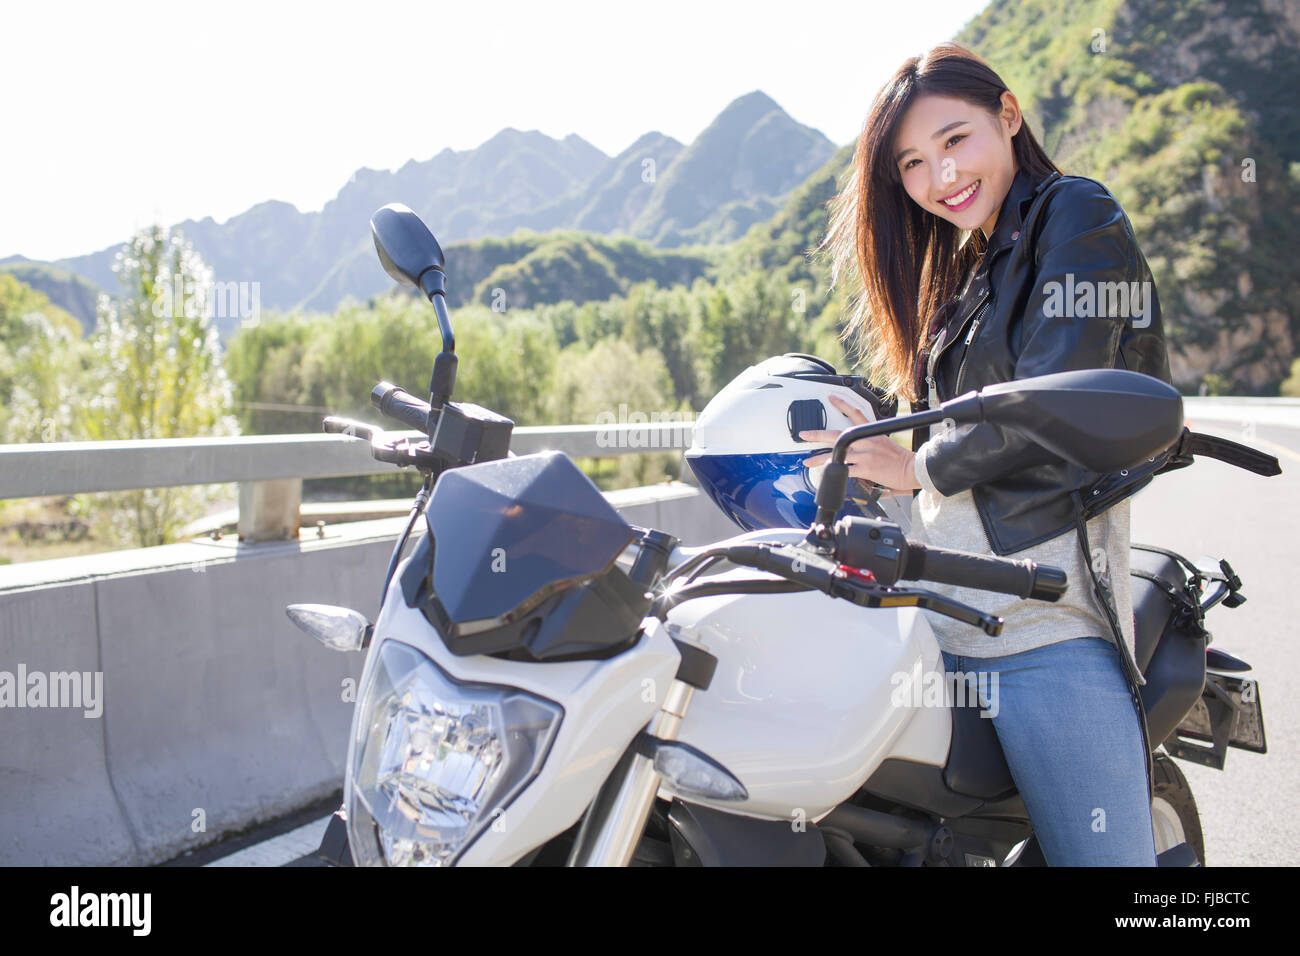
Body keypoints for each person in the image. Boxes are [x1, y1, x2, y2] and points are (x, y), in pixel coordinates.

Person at [800, 43, 1173, 866]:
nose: (940, 176)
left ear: (1009, 116)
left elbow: (1051, 393)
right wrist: (856, 444)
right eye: (914, 163)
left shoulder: (1078, 215)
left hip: (1036, 624)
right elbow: (942, 423)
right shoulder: (964, 275)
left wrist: (917, 466)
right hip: (921, 621)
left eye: (955, 140)